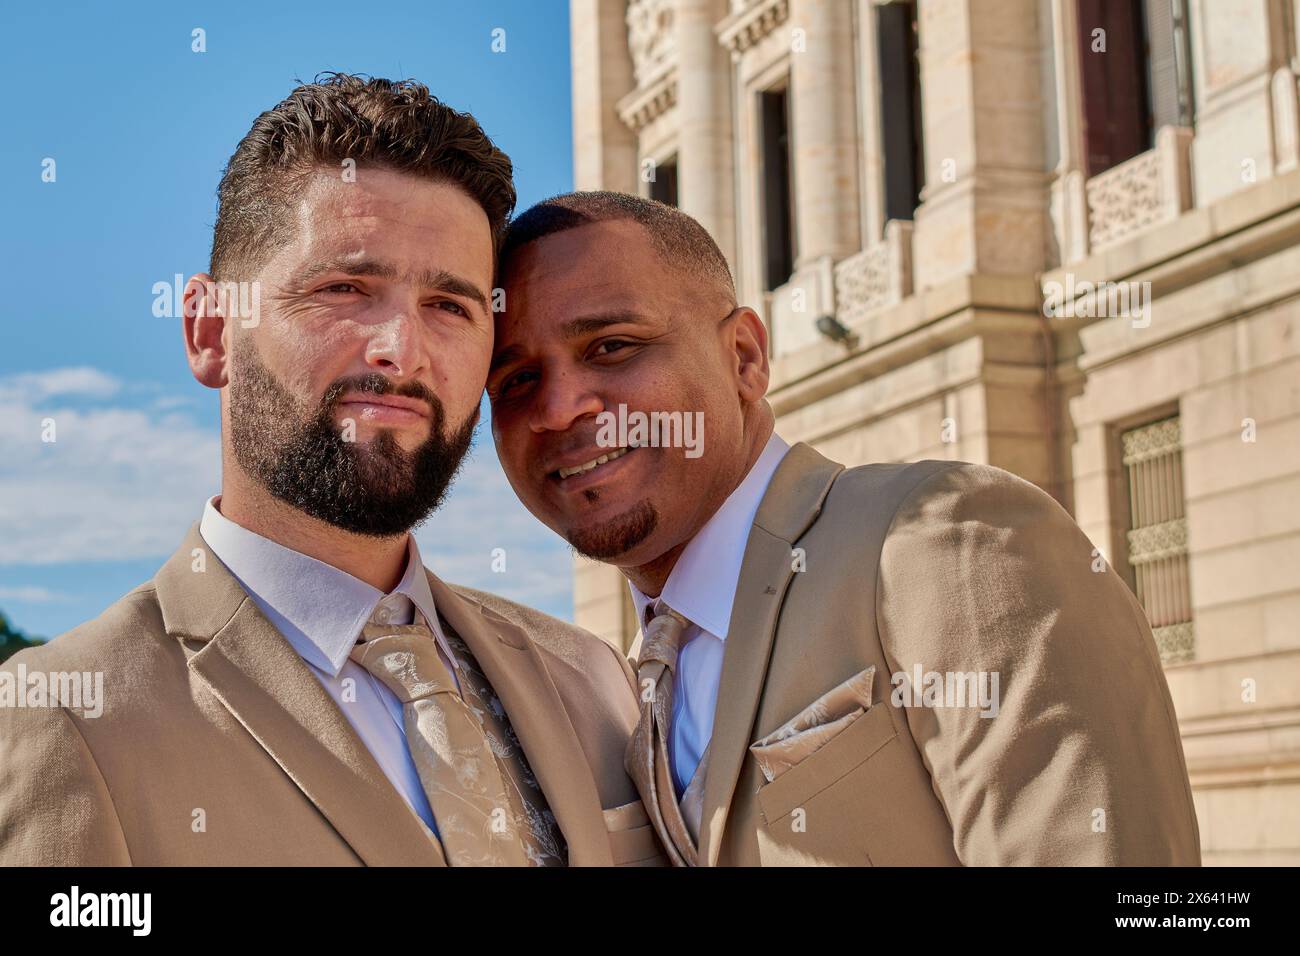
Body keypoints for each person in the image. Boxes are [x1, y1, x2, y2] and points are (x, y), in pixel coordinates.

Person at [0, 80, 661, 867]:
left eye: (450, 305)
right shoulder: (64, 716)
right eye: (344, 289)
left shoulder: (588, 679)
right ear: (212, 330)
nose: (401, 350)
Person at [486, 190, 1202, 866]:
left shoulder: (940, 541)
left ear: (745, 358)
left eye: (611, 346)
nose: (558, 409)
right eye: (516, 381)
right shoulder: (625, 679)